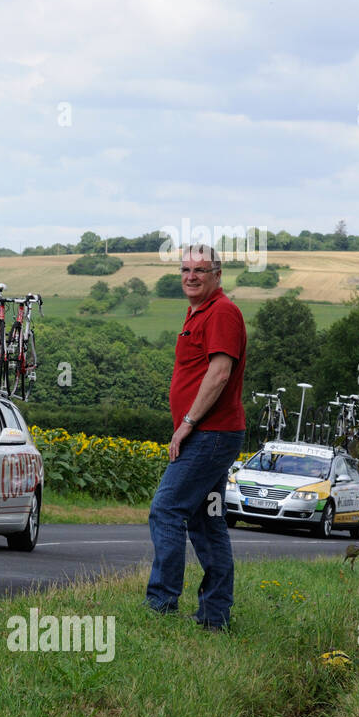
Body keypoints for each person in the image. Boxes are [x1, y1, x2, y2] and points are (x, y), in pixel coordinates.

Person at [144, 244, 247, 629]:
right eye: (186, 269)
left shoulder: (222, 313)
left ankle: (161, 604)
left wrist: (187, 423)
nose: (191, 276)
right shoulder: (199, 312)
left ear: (217, 275)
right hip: (212, 435)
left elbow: (219, 374)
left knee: (167, 509)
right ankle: (215, 616)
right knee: (207, 520)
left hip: (210, 435)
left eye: (200, 270)